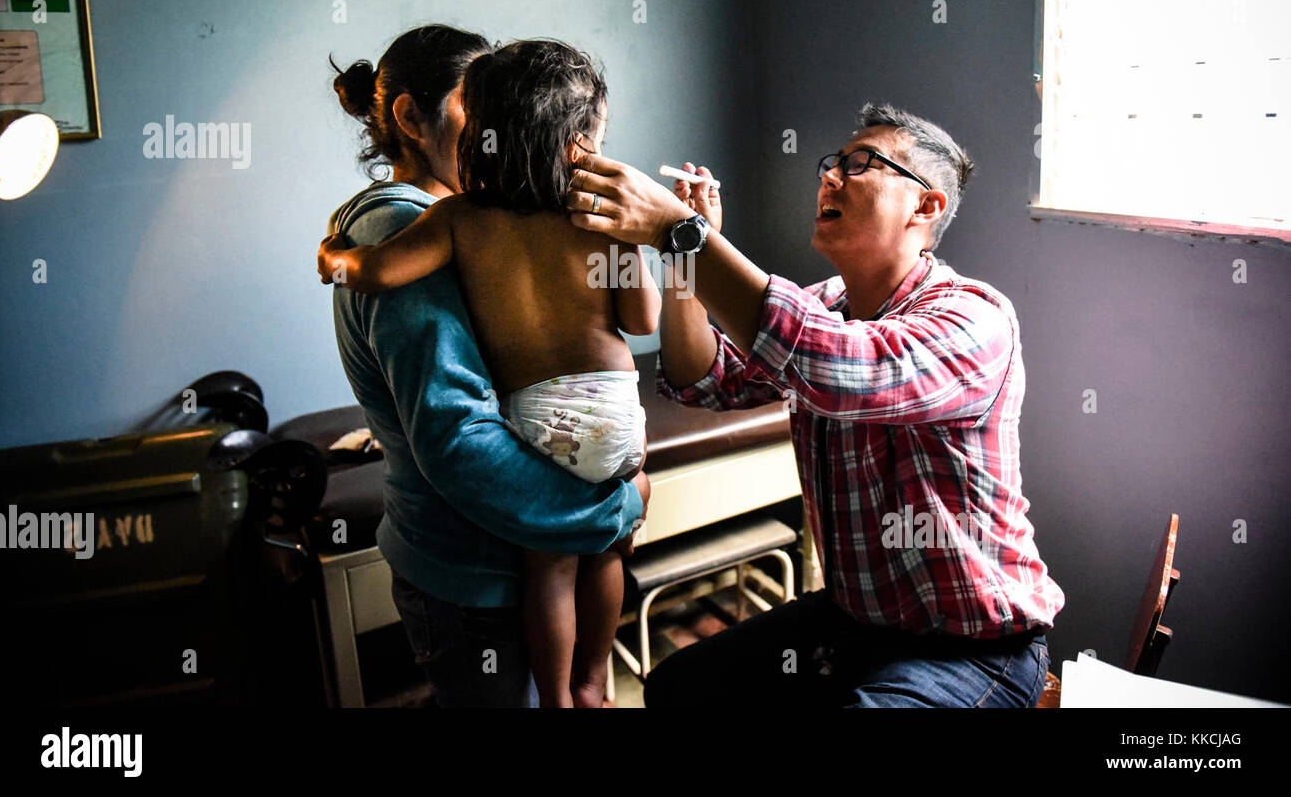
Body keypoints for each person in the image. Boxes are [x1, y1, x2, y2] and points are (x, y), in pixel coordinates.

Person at [564, 102, 1066, 707]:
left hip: (973, 647)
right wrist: (681, 261)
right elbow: (708, 378)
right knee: (677, 688)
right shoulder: (827, 300)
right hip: (855, 623)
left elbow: (844, 369)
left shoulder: (976, 317)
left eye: (861, 165)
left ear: (925, 207)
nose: (829, 177)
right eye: (833, 164)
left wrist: (681, 232)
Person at [320, 39, 657, 708]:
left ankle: (572, 690)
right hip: (476, 564)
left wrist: (332, 255)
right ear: (414, 118)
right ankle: (593, 683)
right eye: (478, 106)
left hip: (509, 530)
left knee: (547, 598)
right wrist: (614, 506)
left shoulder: (454, 224)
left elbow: (375, 276)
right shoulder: (405, 221)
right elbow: (457, 440)